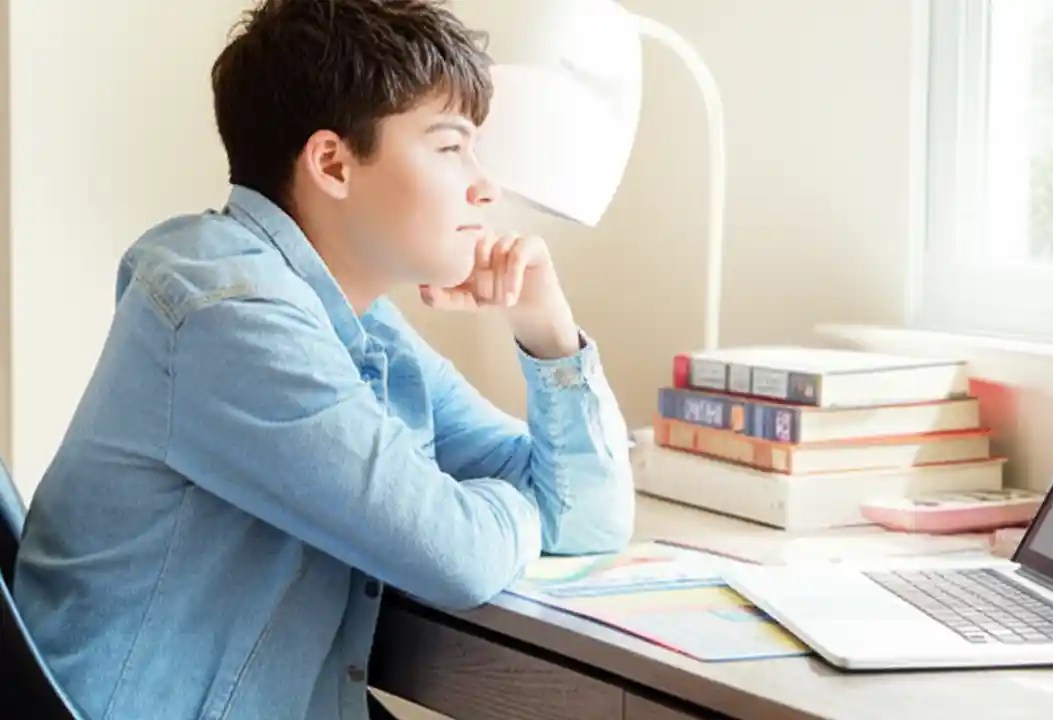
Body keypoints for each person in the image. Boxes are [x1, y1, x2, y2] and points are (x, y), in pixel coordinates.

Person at [12, 1, 635, 718]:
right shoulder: (228, 315)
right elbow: (456, 556)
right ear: (333, 164)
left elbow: (588, 521)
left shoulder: (359, 323)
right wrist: (518, 508)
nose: (485, 185)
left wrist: (547, 333)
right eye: (449, 147)